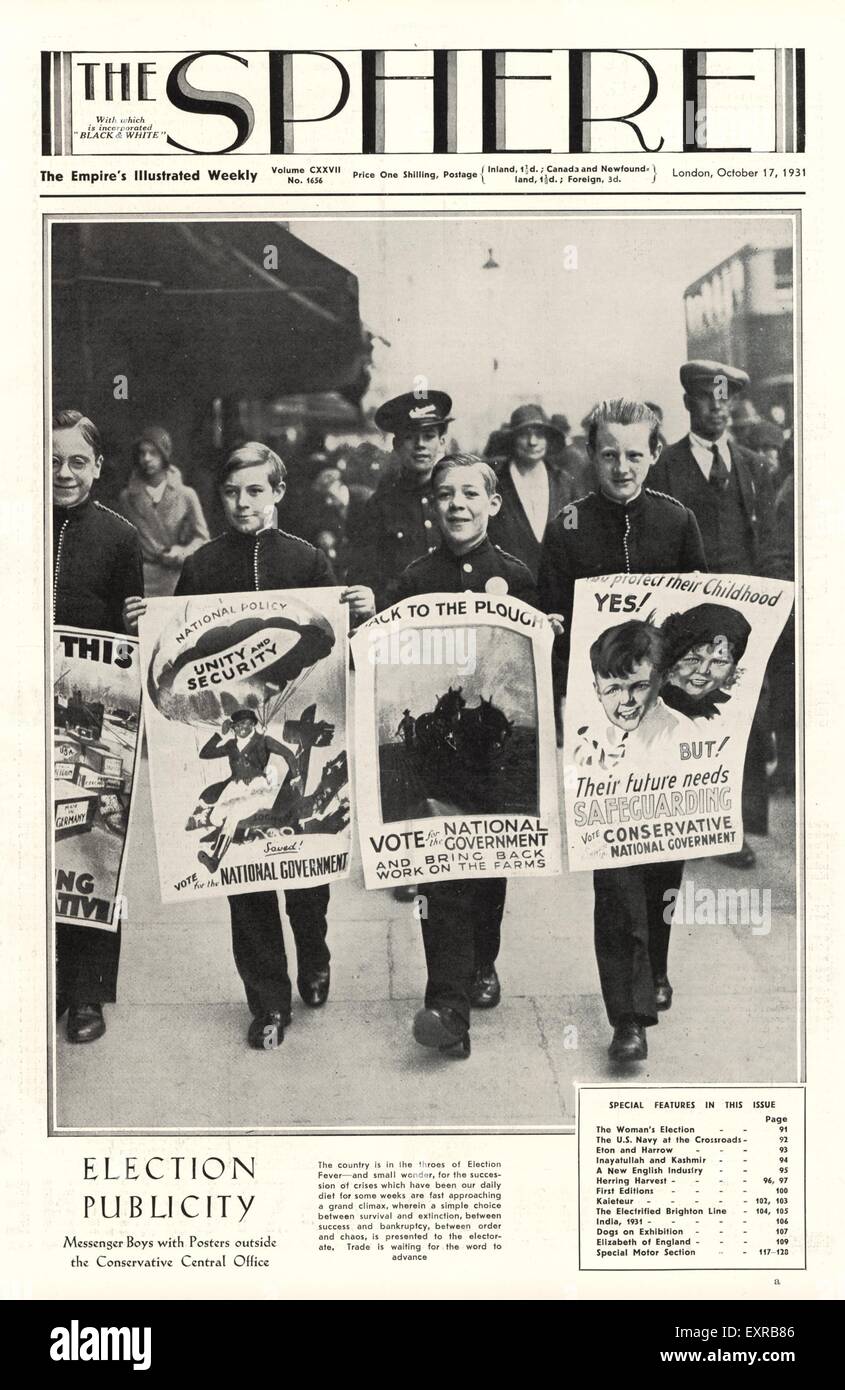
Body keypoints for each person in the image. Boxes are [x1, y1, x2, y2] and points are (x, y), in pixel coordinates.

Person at [132, 441, 373, 1051]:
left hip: (298, 745)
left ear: (279, 493)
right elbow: (179, 642)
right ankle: (268, 1001)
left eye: (256, 492)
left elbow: (336, 650)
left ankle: (313, 951)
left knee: (305, 871)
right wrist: (147, 616)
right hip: (234, 747)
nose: (244, 504)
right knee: (244, 878)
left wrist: (357, 609)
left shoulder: (308, 561)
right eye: (234, 493)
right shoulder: (205, 566)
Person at [538, 399, 707, 1064]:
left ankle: (655, 965)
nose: (621, 466)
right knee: (613, 876)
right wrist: (553, 628)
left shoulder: (676, 519)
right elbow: (550, 620)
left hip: (666, 727)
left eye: (634, 454)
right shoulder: (567, 526)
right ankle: (628, 1015)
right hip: (598, 729)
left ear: (654, 453)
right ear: (591, 453)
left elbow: (703, 620)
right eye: (608, 453)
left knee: (664, 860)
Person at [391, 453, 539, 1059]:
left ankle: (483, 962)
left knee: (486, 875)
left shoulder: (518, 575)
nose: (458, 503)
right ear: (434, 504)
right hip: (438, 756)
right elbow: (389, 664)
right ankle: (446, 1005)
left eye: (471, 494)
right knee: (441, 874)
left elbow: (533, 676)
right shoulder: (414, 579)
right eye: (446, 493)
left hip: (497, 756)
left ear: (494, 504)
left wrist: (545, 632)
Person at [647, 359, 787, 866]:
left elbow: (769, 542)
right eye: (709, 398)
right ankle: (683, 820)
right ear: (689, 404)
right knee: (688, 712)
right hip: (690, 610)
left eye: (725, 399)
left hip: (747, 611)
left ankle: (732, 828)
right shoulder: (665, 469)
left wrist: (771, 600)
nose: (718, 408)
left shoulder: (753, 466)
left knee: (746, 716)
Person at [52, 409, 145, 1043]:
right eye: (53, 459)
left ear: (99, 466)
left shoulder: (119, 537)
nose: (64, 472)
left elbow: (128, 640)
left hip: (90, 719)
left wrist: (138, 622)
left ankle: (87, 994)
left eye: (77, 460)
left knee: (89, 847)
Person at [347, 389, 453, 611]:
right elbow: (363, 580)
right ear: (396, 445)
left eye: (429, 436)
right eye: (410, 437)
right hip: (400, 625)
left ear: (442, 442)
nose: (420, 445)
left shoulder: (458, 499)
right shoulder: (379, 506)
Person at [486, 405, 577, 579]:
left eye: (539, 435)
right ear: (512, 439)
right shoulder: (495, 484)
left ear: (548, 440)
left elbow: (574, 534)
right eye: (524, 434)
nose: (532, 442)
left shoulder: (564, 483)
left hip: (557, 589)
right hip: (509, 589)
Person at [116, 426, 209, 597]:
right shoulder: (128, 497)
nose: (147, 459)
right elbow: (122, 541)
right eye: (142, 453)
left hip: (176, 576)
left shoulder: (186, 494)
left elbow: (202, 538)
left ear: (165, 454)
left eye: (153, 453)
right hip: (141, 579)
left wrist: (182, 552)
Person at [660, 604, 752, 720]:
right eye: (693, 659)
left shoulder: (729, 714)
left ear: (732, 669)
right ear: (671, 662)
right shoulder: (648, 706)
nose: (703, 670)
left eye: (718, 662)